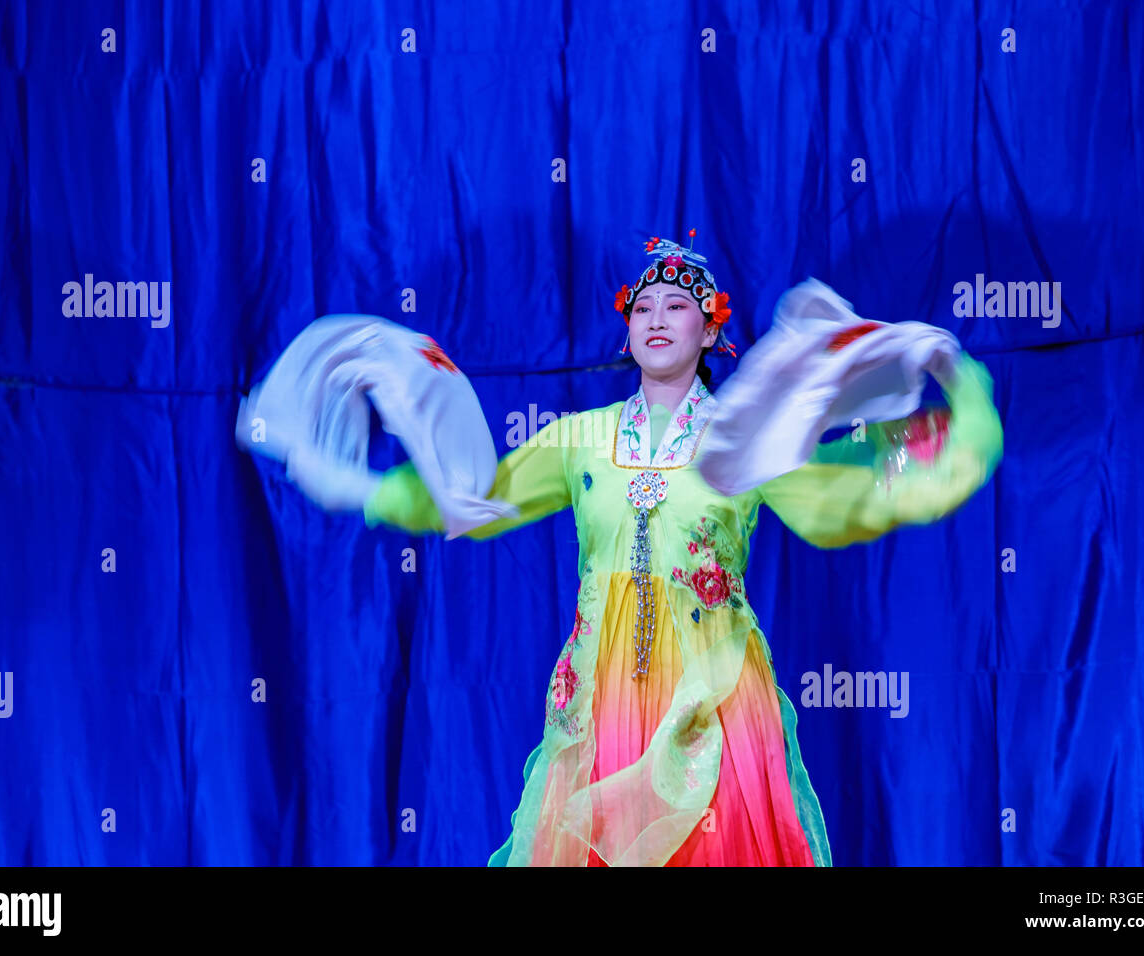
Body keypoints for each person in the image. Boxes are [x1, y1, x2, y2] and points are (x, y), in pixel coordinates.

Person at [240, 230, 1004, 866]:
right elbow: (480, 496)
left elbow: (842, 496)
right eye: (644, 307)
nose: (659, 317)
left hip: (716, 704)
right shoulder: (581, 440)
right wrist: (362, 486)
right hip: (604, 704)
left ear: (711, 330)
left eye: (679, 305)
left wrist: (952, 401)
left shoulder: (747, 441)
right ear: (628, 328)